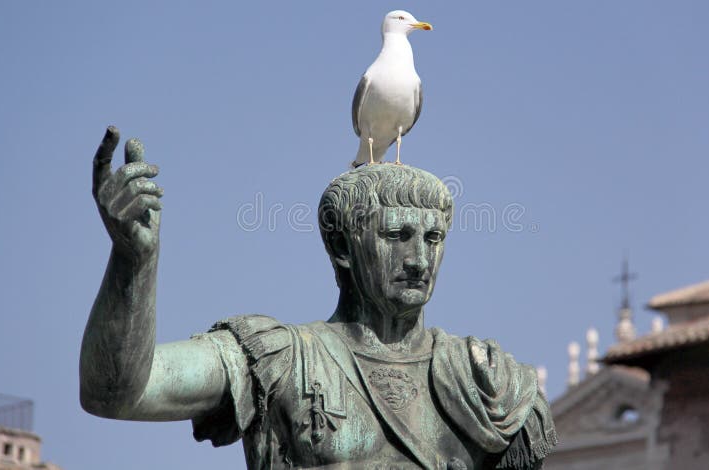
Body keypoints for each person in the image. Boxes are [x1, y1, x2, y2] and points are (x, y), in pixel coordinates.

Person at [80, 127, 556, 470]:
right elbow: (117, 393)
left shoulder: (488, 384)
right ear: (342, 247)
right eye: (396, 235)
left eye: (433, 239)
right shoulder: (276, 359)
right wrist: (132, 264)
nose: (418, 259)